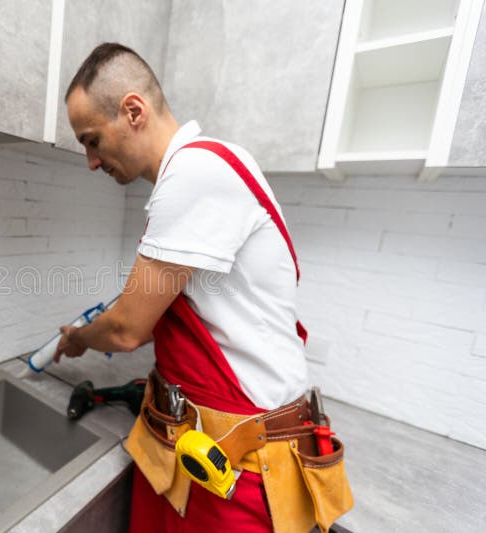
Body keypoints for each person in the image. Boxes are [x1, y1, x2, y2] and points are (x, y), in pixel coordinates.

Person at [52, 43, 313, 532]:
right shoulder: (195, 174)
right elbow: (163, 320)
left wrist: (79, 338)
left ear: (133, 110)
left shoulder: (196, 172)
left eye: (91, 140)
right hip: (190, 446)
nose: (90, 161)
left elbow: (129, 328)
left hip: (240, 464)